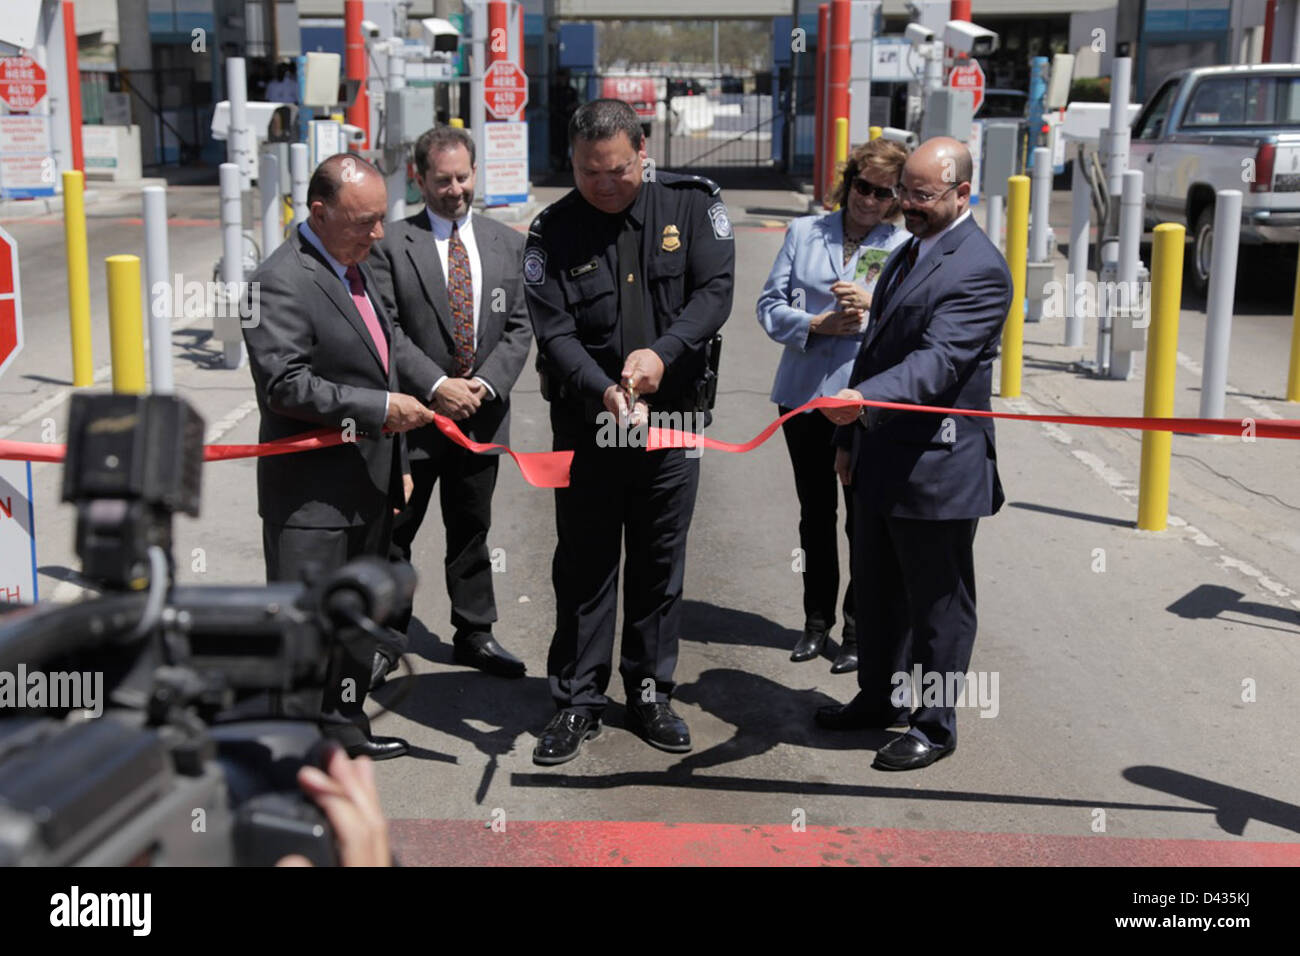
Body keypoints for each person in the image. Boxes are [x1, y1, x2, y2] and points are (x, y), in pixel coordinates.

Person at [524, 98, 734, 765]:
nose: (604, 183)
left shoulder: (695, 206)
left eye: (616, 169)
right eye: (589, 172)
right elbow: (553, 331)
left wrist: (662, 353)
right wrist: (606, 388)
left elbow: (715, 293)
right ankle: (577, 701)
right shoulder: (551, 231)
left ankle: (648, 693)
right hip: (589, 424)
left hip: (669, 420)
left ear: (643, 151)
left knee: (658, 562)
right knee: (584, 565)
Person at [818, 136, 1012, 771]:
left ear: (963, 194)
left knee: (937, 605)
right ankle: (879, 698)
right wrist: (851, 435)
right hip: (879, 454)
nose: (905, 204)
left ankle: (933, 723)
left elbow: (939, 362)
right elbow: (876, 349)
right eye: (904, 190)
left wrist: (861, 401)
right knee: (876, 592)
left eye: (921, 195)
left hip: (938, 466)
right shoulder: (909, 250)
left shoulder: (979, 268)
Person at [243, 153, 443, 761]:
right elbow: (285, 383)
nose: (378, 233)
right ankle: (298, 753)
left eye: (382, 218)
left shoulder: (356, 263)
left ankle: (347, 731)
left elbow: (383, 355)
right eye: (364, 221)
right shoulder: (277, 280)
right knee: (309, 631)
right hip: (311, 500)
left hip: (370, 485)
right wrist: (381, 409)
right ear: (319, 212)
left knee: (357, 625)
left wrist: (400, 459)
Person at [368, 125, 533, 682]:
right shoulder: (389, 245)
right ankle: (386, 637)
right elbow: (387, 330)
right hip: (415, 419)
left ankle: (476, 633)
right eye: (443, 180)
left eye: (464, 177)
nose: (456, 189)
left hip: (481, 415)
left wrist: (484, 385)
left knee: (471, 529)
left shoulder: (507, 243)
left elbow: (518, 326)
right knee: (396, 530)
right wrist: (438, 385)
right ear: (419, 179)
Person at [756, 137, 910, 673]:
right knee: (814, 513)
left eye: (883, 193)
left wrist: (874, 309)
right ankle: (815, 622)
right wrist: (815, 324)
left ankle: (859, 630)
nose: (869, 200)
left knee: (861, 519)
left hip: (865, 396)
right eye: (862, 187)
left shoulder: (902, 246)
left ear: (895, 198)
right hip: (804, 391)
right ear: (849, 182)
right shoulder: (805, 231)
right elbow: (768, 306)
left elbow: (911, 327)